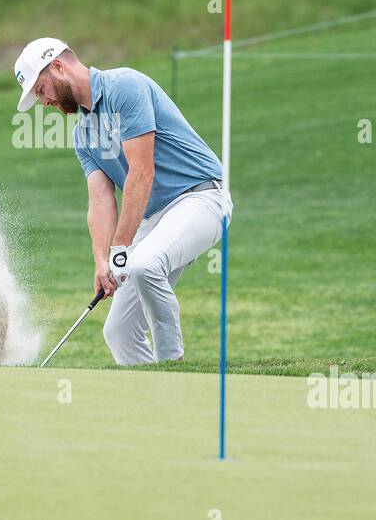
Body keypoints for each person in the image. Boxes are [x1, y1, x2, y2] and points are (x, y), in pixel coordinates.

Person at [13, 37, 231, 365]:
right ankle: (156, 399)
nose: (44, 102)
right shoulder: (82, 134)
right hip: (154, 216)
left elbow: (142, 172)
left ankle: (172, 367)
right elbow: (100, 202)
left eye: (41, 90)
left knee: (143, 265)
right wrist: (103, 259)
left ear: (57, 66)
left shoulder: (124, 87)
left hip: (201, 198)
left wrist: (121, 251)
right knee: (118, 331)